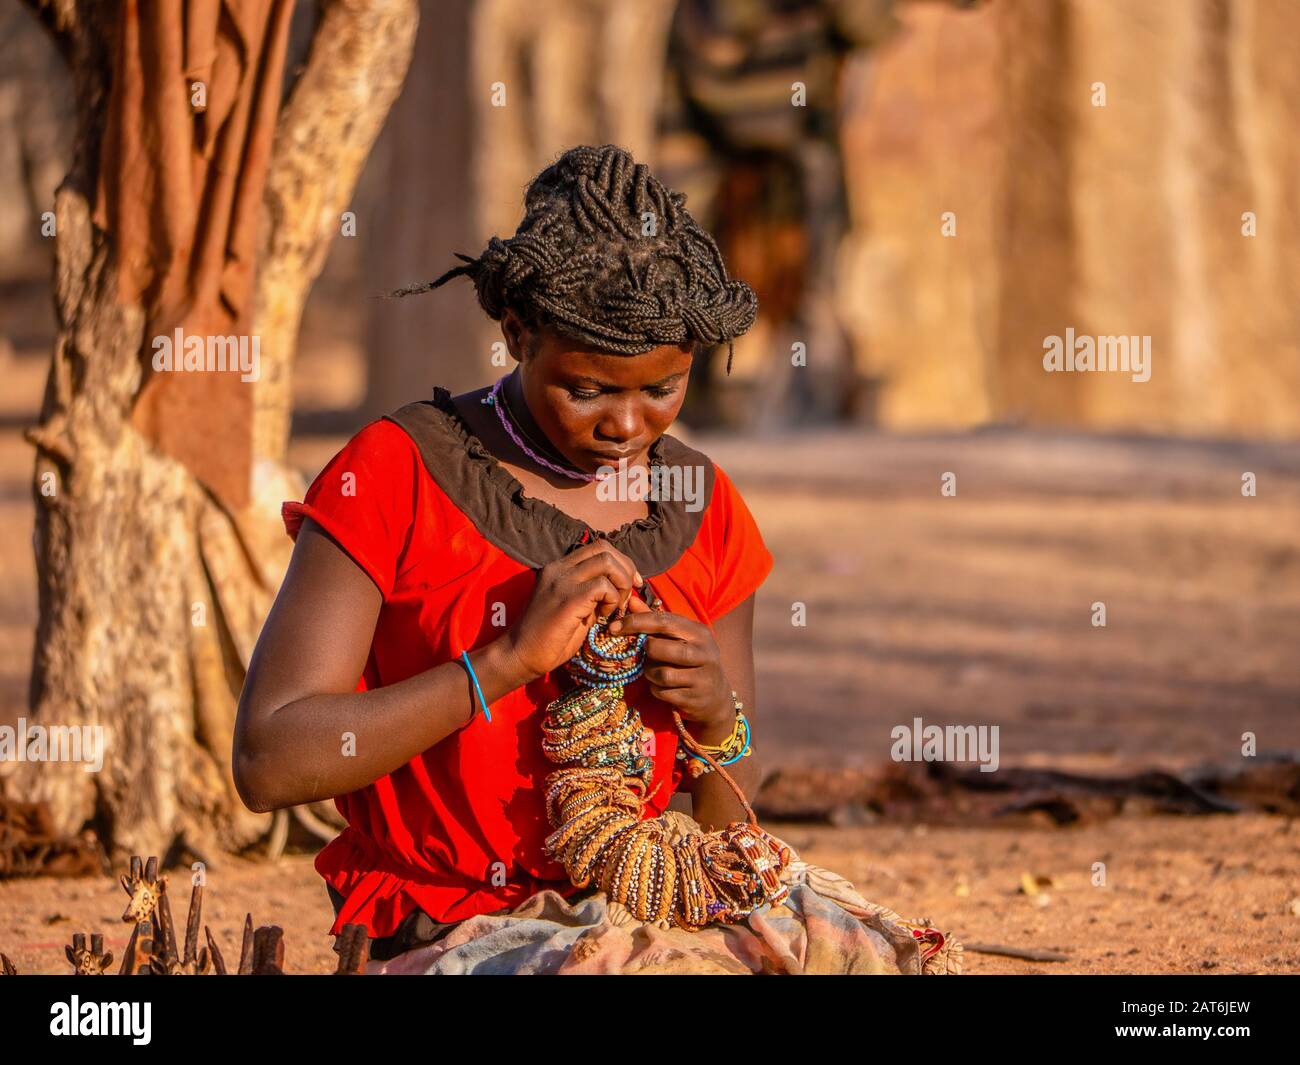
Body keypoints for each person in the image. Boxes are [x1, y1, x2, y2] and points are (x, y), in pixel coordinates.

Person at [233, 144, 959, 974]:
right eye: (586, 389)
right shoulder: (397, 471)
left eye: (664, 387)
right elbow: (269, 758)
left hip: (645, 900)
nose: (625, 426)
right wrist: (501, 665)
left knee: (868, 957)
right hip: (450, 924)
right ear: (516, 334)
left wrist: (718, 717)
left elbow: (730, 830)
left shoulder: (699, 504)